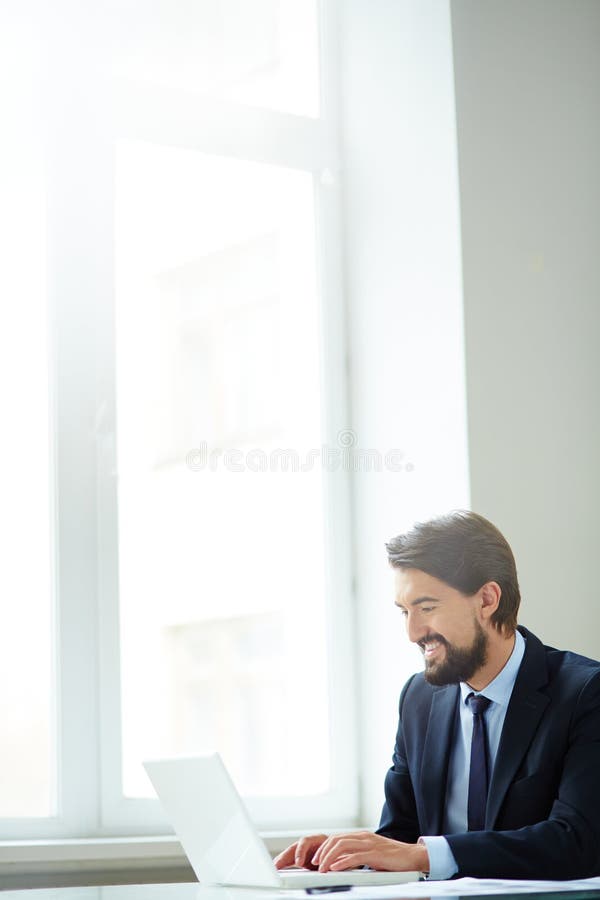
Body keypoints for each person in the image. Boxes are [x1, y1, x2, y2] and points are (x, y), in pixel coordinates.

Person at [274, 510, 600, 880]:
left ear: (487, 599)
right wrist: (348, 854)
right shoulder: (419, 698)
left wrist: (424, 856)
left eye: (427, 608)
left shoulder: (585, 693)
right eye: (404, 611)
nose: (413, 632)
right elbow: (401, 836)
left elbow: (578, 842)